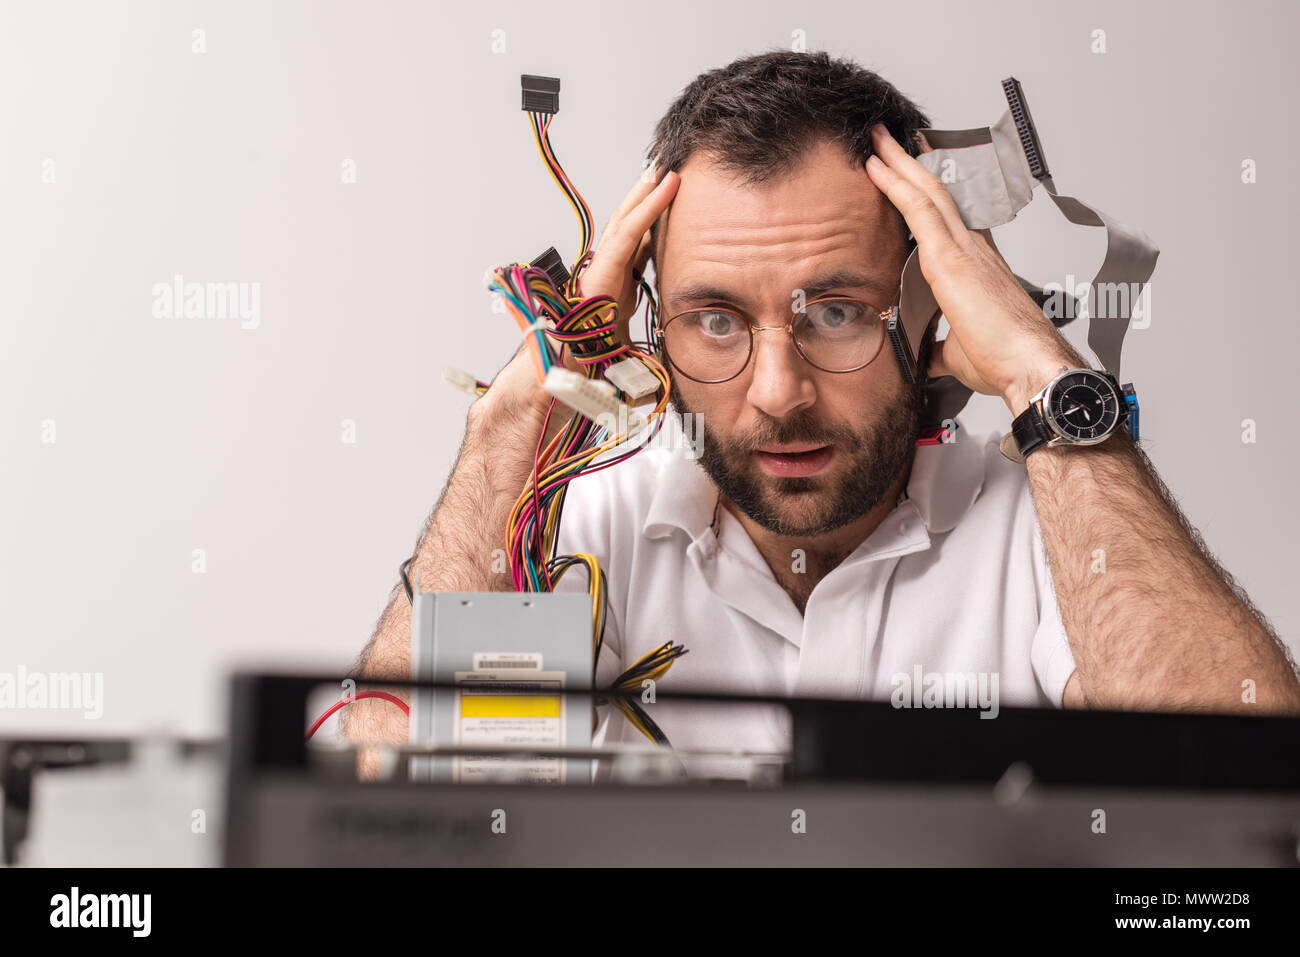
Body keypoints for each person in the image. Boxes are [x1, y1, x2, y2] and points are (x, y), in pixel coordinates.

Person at [344, 50, 1300, 779]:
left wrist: (1042, 375)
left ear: (934, 310)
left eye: (837, 311)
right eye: (714, 320)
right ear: (647, 326)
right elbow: (382, 801)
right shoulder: (574, 533)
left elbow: (1246, 803)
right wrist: (515, 422)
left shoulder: (1051, 537)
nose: (777, 391)